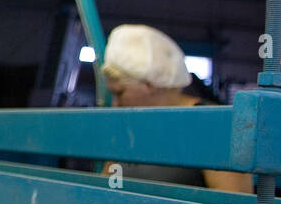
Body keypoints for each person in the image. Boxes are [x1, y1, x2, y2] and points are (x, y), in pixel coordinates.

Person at [100, 24, 253, 193]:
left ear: (150, 85)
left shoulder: (211, 125)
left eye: (120, 93)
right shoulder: (131, 126)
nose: (115, 104)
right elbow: (107, 185)